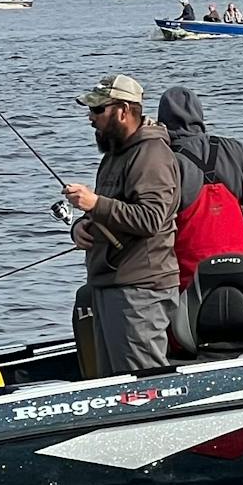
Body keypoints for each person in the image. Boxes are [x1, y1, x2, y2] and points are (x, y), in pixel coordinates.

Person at [62, 74, 181, 376]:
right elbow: (110, 210)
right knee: (114, 383)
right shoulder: (115, 155)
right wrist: (82, 226)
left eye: (98, 110)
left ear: (124, 111)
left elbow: (150, 219)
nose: (91, 117)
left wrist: (95, 204)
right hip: (111, 286)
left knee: (141, 386)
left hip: (140, 292)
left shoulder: (151, 155)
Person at [159, 86, 243, 289]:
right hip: (242, 273)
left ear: (162, 122)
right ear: (199, 115)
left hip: (191, 280)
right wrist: (242, 196)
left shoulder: (164, 160)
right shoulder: (233, 149)